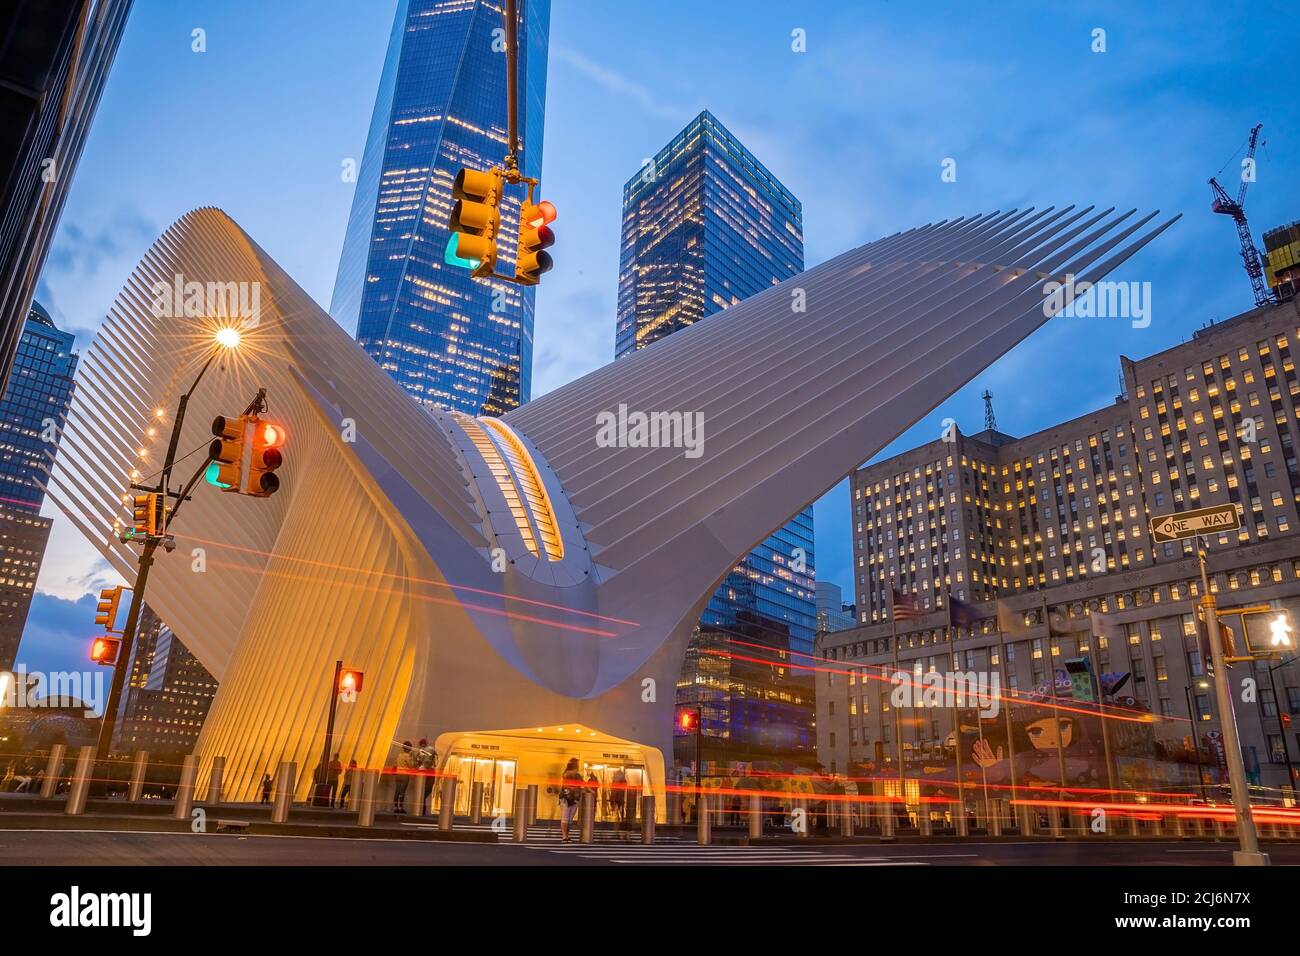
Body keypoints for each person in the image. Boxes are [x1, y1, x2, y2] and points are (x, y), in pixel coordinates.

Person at [557, 758, 583, 842]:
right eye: (577, 764)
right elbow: (564, 785)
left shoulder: (578, 775)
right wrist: (574, 788)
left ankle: (566, 835)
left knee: (569, 818)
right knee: (565, 817)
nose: (578, 766)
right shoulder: (566, 774)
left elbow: (582, 784)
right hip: (566, 798)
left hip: (575, 798)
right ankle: (564, 836)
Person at [392, 741, 414, 814]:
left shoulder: (399, 755)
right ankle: (400, 807)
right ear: (409, 748)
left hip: (398, 774)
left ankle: (395, 807)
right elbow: (411, 765)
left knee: (397, 791)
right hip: (405, 775)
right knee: (402, 792)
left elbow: (395, 764)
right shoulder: (408, 756)